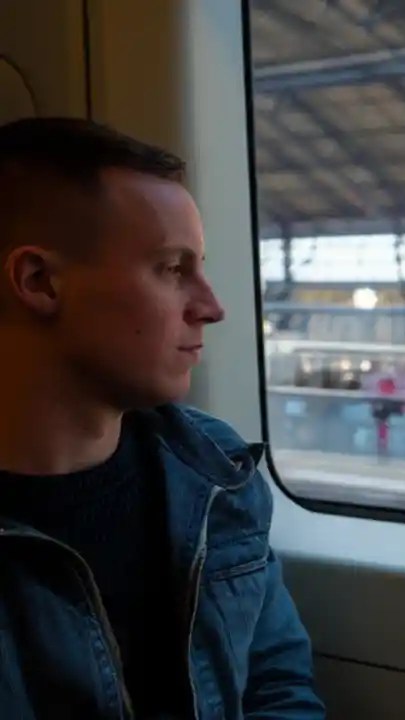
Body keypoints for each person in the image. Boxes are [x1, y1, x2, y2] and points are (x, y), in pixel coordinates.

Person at [0, 118, 323, 717]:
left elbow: (275, 683)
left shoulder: (213, 470)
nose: (212, 306)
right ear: (39, 281)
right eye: (174, 269)